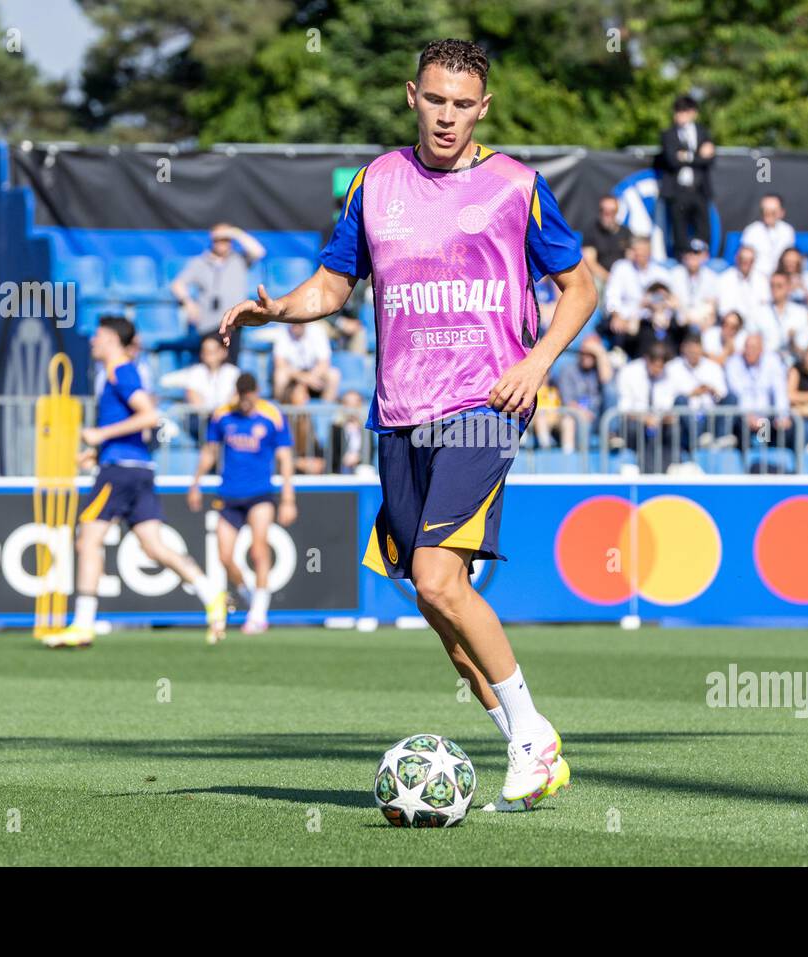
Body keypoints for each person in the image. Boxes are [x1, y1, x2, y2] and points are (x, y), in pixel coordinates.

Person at [219, 39, 598, 812]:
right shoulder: (375, 183)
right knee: (434, 598)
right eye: (436, 100)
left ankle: (535, 739)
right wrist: (278, 308)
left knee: (435, 575)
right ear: (412, 96)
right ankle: (525, 741)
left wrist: (538, 362)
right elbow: (333, 283)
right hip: (398, 414)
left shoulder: (515, 186)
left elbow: (581, 285)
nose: (448, 116)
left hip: (483, 407)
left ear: (483, 108)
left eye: (464, 104)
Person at [43, 316, 226, 649]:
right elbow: (134, 424)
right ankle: (210, 591)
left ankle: (83, 624)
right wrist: (96, 453)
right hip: (136, 468)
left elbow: (148, 416)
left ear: (113, 340)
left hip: (120, 471)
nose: (92, 341)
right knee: (153, 546)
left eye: (98, 335)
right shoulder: (115, 373)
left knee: (88, 538)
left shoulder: (120, 371)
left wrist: (101, 435)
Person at [188, 373, 296, 638]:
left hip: (260, 494)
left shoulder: (272, 415)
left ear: (257, 392)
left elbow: (284, 457)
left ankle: (259, 614)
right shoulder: (223, 415)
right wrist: (196, 483)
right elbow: (210, 451)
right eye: (242, 397)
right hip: (229, 494)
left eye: (250, 397)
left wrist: (288, 497)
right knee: (224, 556)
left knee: (259, 550)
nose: (246, 403)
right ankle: (249, 596)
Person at [169, 224, 267, 364]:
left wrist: (235, 232)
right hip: (209, 324)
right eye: (218, 239)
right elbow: (177, 285)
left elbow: (259, 252)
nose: (222, 243)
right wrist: (188, 302)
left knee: (231, 367)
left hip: (234, 322)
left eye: (226, 239)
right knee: (210, 365)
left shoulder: (239, 259)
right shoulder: (199, 262)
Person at [656, 95, 715, 254]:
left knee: (703, 231)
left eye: (682, 112)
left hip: (699, 189)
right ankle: (681, 261)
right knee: (679, 232)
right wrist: (698, 156)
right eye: (676, 112)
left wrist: (686, 156)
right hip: (678, 191)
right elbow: (672, 160)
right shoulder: (668, 134)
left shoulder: (703, 132)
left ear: (692, 113)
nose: (678, 116)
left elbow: (709, 159)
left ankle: (702, 261)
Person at [615, 341, 682, 472]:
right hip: (634, 424)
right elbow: (624, 408)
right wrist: (645, 419)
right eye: (655, 366)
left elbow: (669, 402)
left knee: (673, 430)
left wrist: (665, 418)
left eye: (661, 367)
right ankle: (650, 474)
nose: (658, 370)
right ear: (646, 359)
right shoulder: (629, 372)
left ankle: (667, 470)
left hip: (660, 423)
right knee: (645, 432)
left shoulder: (668, 374)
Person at [601, 236, 670, 355]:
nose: (639, 254)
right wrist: (616, 314)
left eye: (643, 251)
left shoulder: (660, 272)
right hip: (625, 317)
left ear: (649, 252)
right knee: (617, 326)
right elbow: (612, 295)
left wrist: (649, 301)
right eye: (636, 251)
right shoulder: (621, 267)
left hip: (648, 319)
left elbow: (666, 297)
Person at [724, 332, 792, 449]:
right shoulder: (733, 363)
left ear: (761, 350)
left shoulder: (773, 361)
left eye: (753, 347)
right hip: (743, 417)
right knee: (743, 433)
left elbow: (779, 391)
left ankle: (766, 459)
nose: (749, 351)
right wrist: (748, 416)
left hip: (766, 417)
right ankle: (744, 461)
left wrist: (782, 417)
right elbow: (737, 393)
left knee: (779, 432)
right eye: (747, 347)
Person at [667, 329, 731, 449]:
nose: (694, 355)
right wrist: (692, 393)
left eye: (697, 352)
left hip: (710, 415)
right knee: (681, 400)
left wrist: (712, 390)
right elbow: (668, 397)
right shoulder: (672, 368)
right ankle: (697, 440)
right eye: (691, 352)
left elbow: (723, 394)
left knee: (732, 399)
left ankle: (721, 440)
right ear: (683, 349)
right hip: (686, 418)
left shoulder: (713, 367)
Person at [580, 194, 633, 289]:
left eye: (611, 211)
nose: (607, 214)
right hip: (601, 278)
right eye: (603, 210)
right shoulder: (591, 231)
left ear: (617, 212)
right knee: (595, 283)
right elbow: (590, 262)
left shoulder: (626, 232)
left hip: (622, 277)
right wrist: (610, 278)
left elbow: (631, 259)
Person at [667, 238, 721, 329]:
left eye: (697, 253)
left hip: (702, 325)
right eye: (689, 252)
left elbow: (711, 308)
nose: (692, 256)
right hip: (679, 324)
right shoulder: (674, 274)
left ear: (705, 256)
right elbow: (672, 302)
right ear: (683, 255)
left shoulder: (712, 277)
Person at [741, 194, 796, 279]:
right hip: (757, 278)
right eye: (765, 211)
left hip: (781, 278)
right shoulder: (751, 231)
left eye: (773, 211)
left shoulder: (787, 231)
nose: (768, 214)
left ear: (781, 212)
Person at [716, 245, 770, 322]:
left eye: (750, 260)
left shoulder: (762, 280)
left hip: (757, 324)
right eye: (743, 260)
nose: (746, 263)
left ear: (754, 261)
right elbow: (724, 309)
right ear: (737, 259)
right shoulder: (724, 279)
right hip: (733, 324)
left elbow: (765, 306)